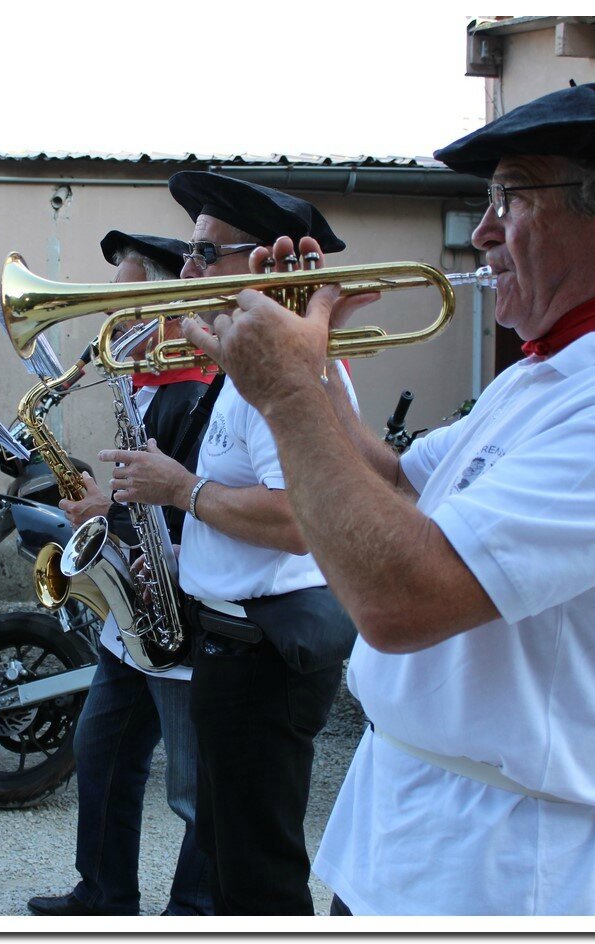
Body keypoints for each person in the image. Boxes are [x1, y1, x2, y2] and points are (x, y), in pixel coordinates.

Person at [184, 81, 595, 915]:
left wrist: (286, 393)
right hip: (415, 822)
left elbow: (398, 597)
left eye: (511, 195)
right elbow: (387, 483)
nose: (484, 230)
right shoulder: (550, 372)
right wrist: (310, 363)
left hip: (515, 864)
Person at [101, 172, 356, 915]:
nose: (187, 272)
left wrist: (180, 491)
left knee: (258, 870)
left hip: (266, 652)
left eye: (206, 255)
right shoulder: (243, 368)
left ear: (266, 264)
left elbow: (298, 516)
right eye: (188, 254)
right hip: (232, 645)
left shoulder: (280, 373)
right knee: (224, 848)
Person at [28, 231, 214, 916]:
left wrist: (110, 506)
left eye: (125, 300)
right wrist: (101, 505)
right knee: (102, 748)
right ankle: (103, 894)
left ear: (165, 299)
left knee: (196, 788)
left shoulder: (199, 391)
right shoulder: (144, 386)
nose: (112, 319)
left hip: (184, 615)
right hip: (134, 610)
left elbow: (205, 505)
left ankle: (194, 912)